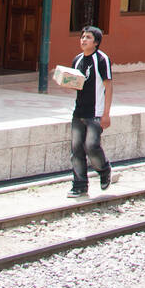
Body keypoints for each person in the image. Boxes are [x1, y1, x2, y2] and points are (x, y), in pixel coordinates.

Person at [60, 26, 113, 198]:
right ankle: (79, 184)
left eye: (88, 37)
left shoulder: (102, 59)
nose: (83, 40)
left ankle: (104, 169)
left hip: (95, 112)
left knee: (91, 146)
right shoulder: (77, 60)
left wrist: (106, 113)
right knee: (76, 149)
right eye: (82, 37)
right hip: (79, 111)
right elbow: (77, 84)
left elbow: (108, 86)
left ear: (96, 42)